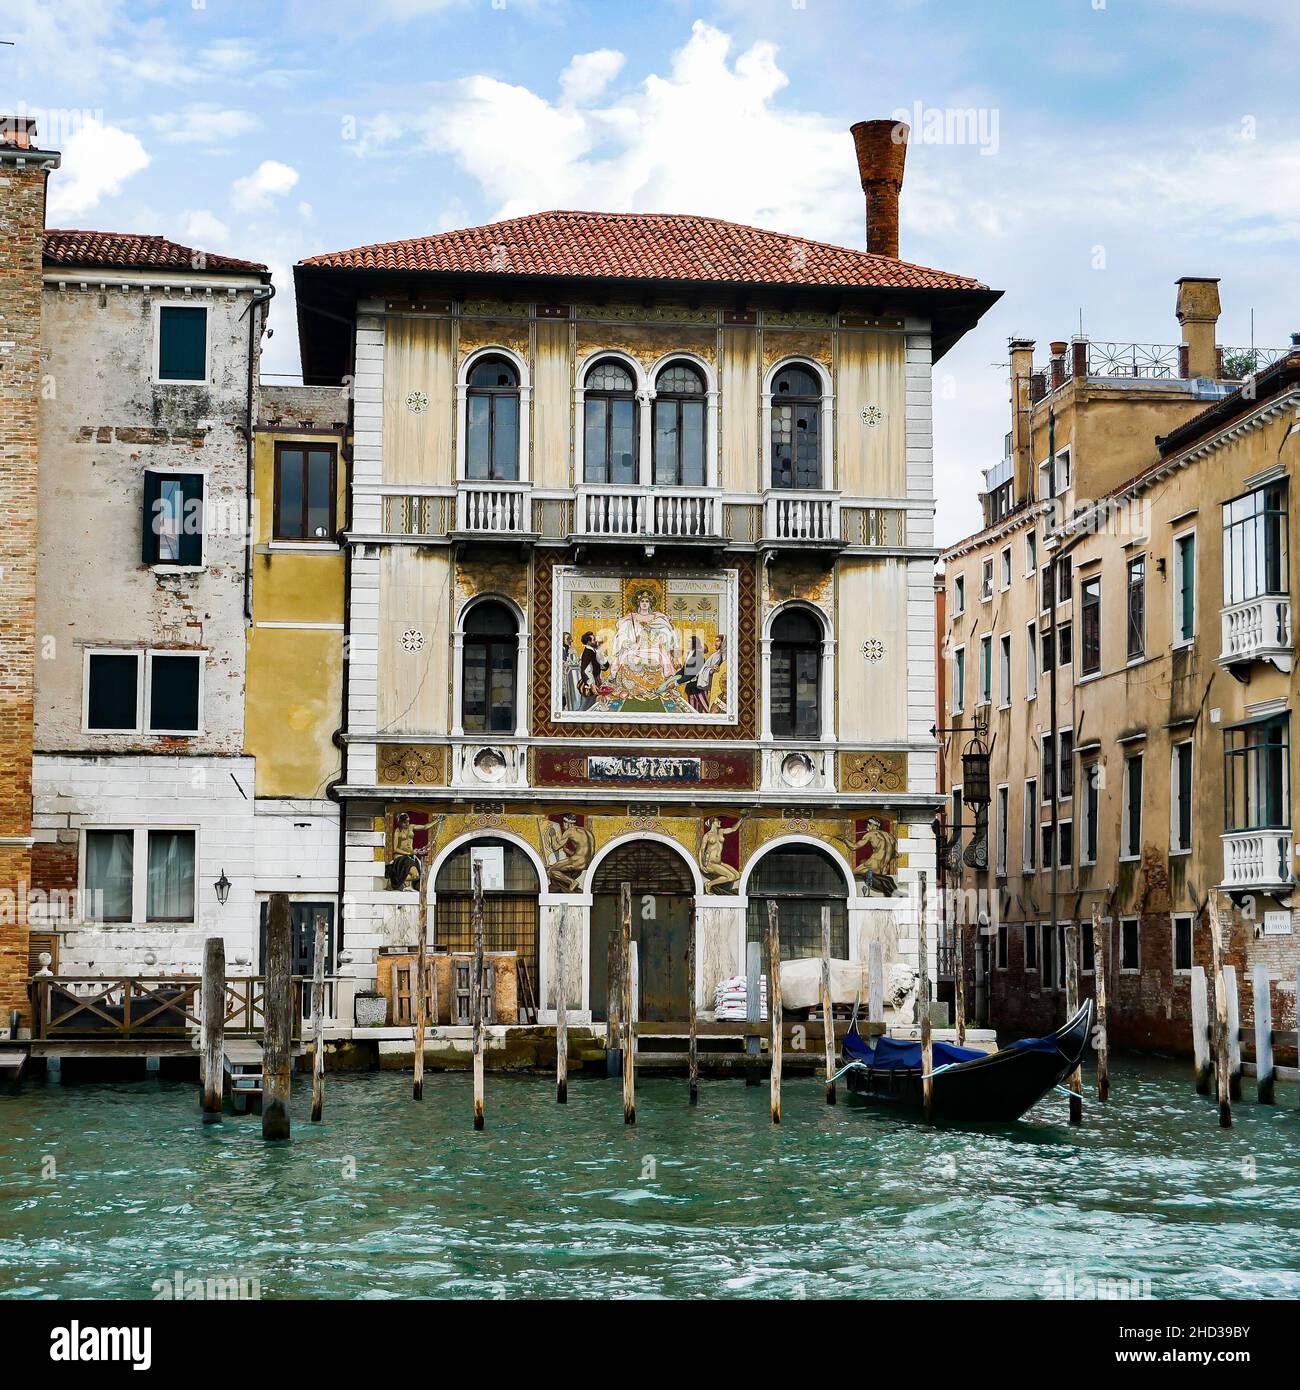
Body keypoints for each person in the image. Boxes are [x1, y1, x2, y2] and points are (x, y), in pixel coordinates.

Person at [610, 586, 679, 698]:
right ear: (638, 603)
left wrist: (662, 640)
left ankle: (654, 689)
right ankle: (632, 689)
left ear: (650, 603)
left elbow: (668, 634)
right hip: (637, 648)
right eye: (642, 601)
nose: (644, 603)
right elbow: (622, 635)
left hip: (654, 648)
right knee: (627, 658)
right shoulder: (631, 619)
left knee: (657, 659)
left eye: (647, 601)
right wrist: (631, 643)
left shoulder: (658, 618)